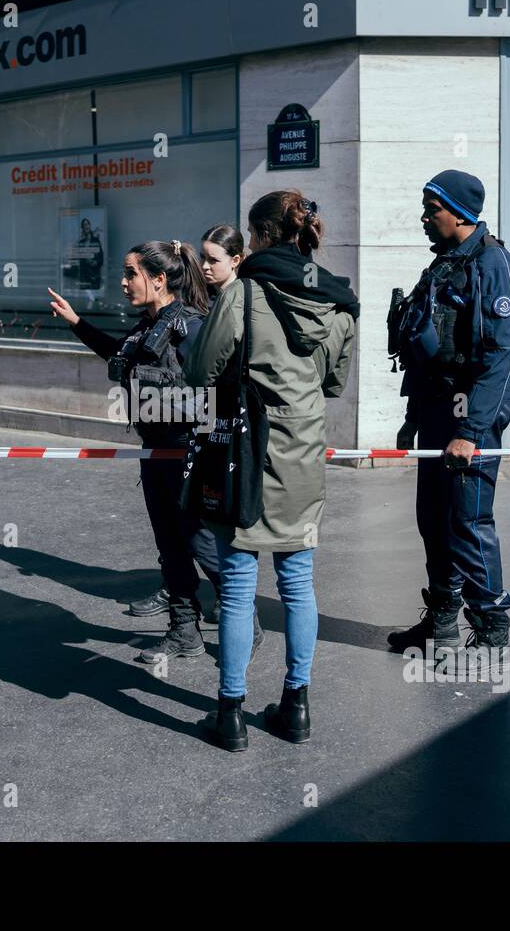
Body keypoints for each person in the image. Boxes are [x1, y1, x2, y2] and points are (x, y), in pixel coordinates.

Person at [184, 190, 358, 752]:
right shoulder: (336, 300)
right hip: (304, 451)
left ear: (257, 236)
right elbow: (334, 383)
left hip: (247, 454)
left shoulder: (244, 293)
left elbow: (200, 370)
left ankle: (230, 714)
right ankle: (296, 706)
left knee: (237, 589)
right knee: (298, 582)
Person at [48, 240, 224, 666]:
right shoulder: (148, 325)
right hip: (156, 452)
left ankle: (244, 623)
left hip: (186, 453)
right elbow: (119, 356)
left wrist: (205, 452)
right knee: (171, 545)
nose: (124, 283)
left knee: (201, 543)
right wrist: (77, 322)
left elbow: (216, 389)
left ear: (159, 279)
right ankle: (184, 631)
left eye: (131, 274)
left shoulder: (190, 326)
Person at [386, 170, 510, 656]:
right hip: (435, 415)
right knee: (433, 520)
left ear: (460, 212)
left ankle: (491, 633)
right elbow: (426, 349)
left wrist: (471, 431)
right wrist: (412, 417)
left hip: (469, 423)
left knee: (468, 523)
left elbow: (502, 356)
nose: (424, 218)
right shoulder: (443, 265)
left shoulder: (493, 263)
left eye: (432, 209)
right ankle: (441, 625)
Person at [198, 223, 245, 305]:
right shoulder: (196, 296)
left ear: (235, 261)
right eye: (202, 257)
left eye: (213, 260)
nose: (204, 266)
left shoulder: (245, 298)